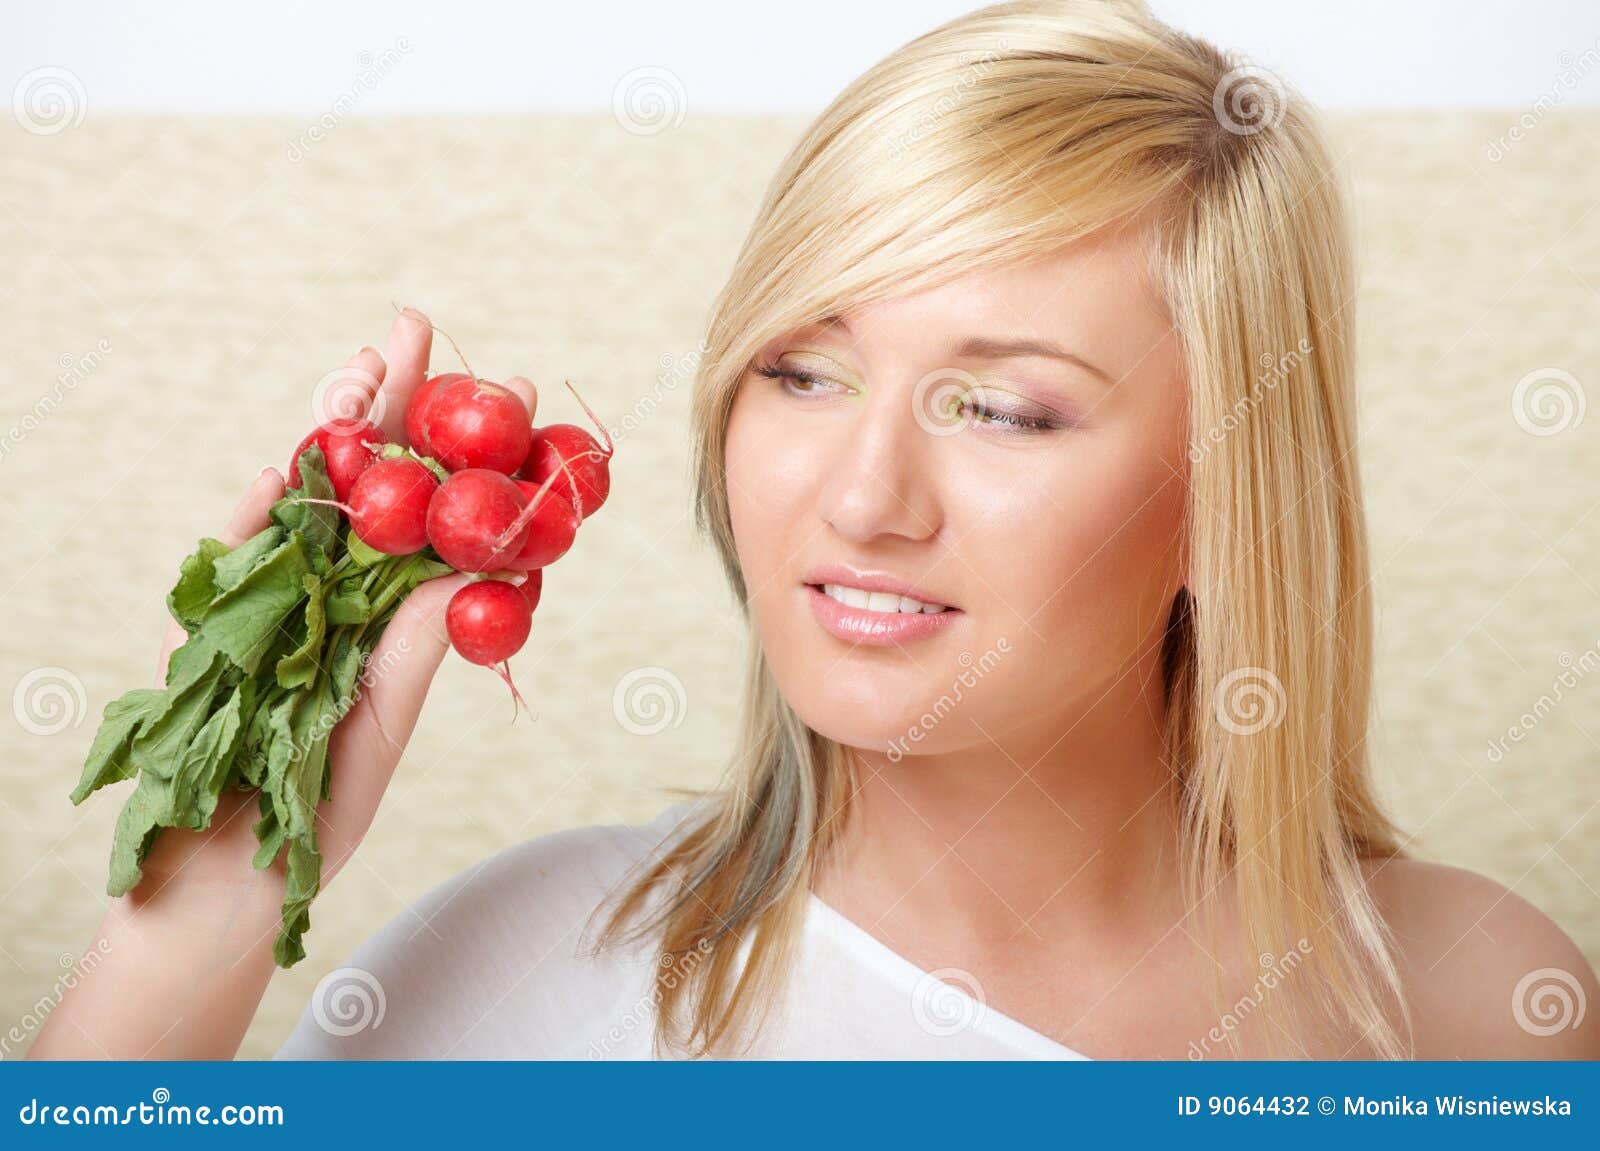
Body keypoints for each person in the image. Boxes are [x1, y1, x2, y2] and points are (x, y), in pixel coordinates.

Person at [30, 0, 1599, 1060]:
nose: (860, 500)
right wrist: (197, 921)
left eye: (1003, 409)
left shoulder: (1478, 1005)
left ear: (1227, 493)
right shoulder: (502, 993)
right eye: (802, 371)